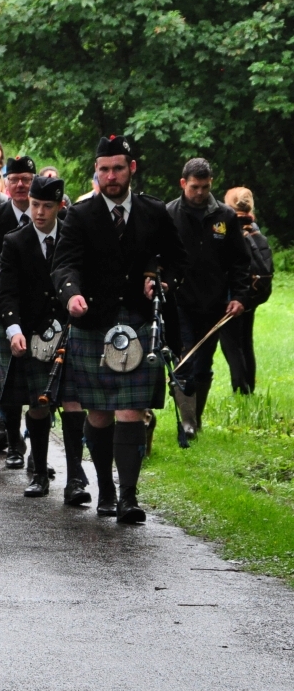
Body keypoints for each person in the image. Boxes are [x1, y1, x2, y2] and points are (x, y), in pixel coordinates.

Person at [52, 134, 188, 523]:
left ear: (132, 168)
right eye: (104, 169)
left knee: (132, 408)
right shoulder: (80, 215)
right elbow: (64, 264)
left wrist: (160, 279)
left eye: (118, 168)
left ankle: (128, 496)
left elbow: (178, 261)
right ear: (96, 171)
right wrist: (71, 294)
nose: (111, 176)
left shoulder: (155, 212)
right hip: (94, 322)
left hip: (139, 320)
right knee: (98, 411)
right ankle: (106, 489)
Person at [0, 176, 88, 500]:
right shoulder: (15, 241)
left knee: (75, 404)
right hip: (33, 335)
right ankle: (39, 472)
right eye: (35, 205)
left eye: (47, 206)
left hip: (73, 333)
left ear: (60, 206)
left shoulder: (74, 238)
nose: (39, 212)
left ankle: (76, 477)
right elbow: (6, 293)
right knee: (38, 405)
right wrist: (14, 330)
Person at [165, 158, 249, 436]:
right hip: (179, 301)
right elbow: (158, 256)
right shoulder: (169, 214)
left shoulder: (225, 216)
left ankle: (195, 419)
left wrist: (238, 296)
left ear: (211, 183)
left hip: (214, 303)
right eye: (194, 187)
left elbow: (240, 261)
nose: (199, 192)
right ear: (183, 184)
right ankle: (186, 423)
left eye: (204, 187)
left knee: (204, 363)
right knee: (185, 359)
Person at [0, 154, 37, 462]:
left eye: (26, 179)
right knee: (7, 381)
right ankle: (14, 443)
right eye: (14, 180)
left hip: (40, 313)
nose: (20, 185)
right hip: (2, 308)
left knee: (40, 383)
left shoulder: (49, 215)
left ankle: (39, 453)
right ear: (6, 182)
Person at [219, 188, 271, 394]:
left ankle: (241, 390)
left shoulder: (229, 230)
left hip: (233, 296)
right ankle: (249, 388)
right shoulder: (254, 228)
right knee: (246, 342)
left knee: (231, 344)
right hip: (252, 294)